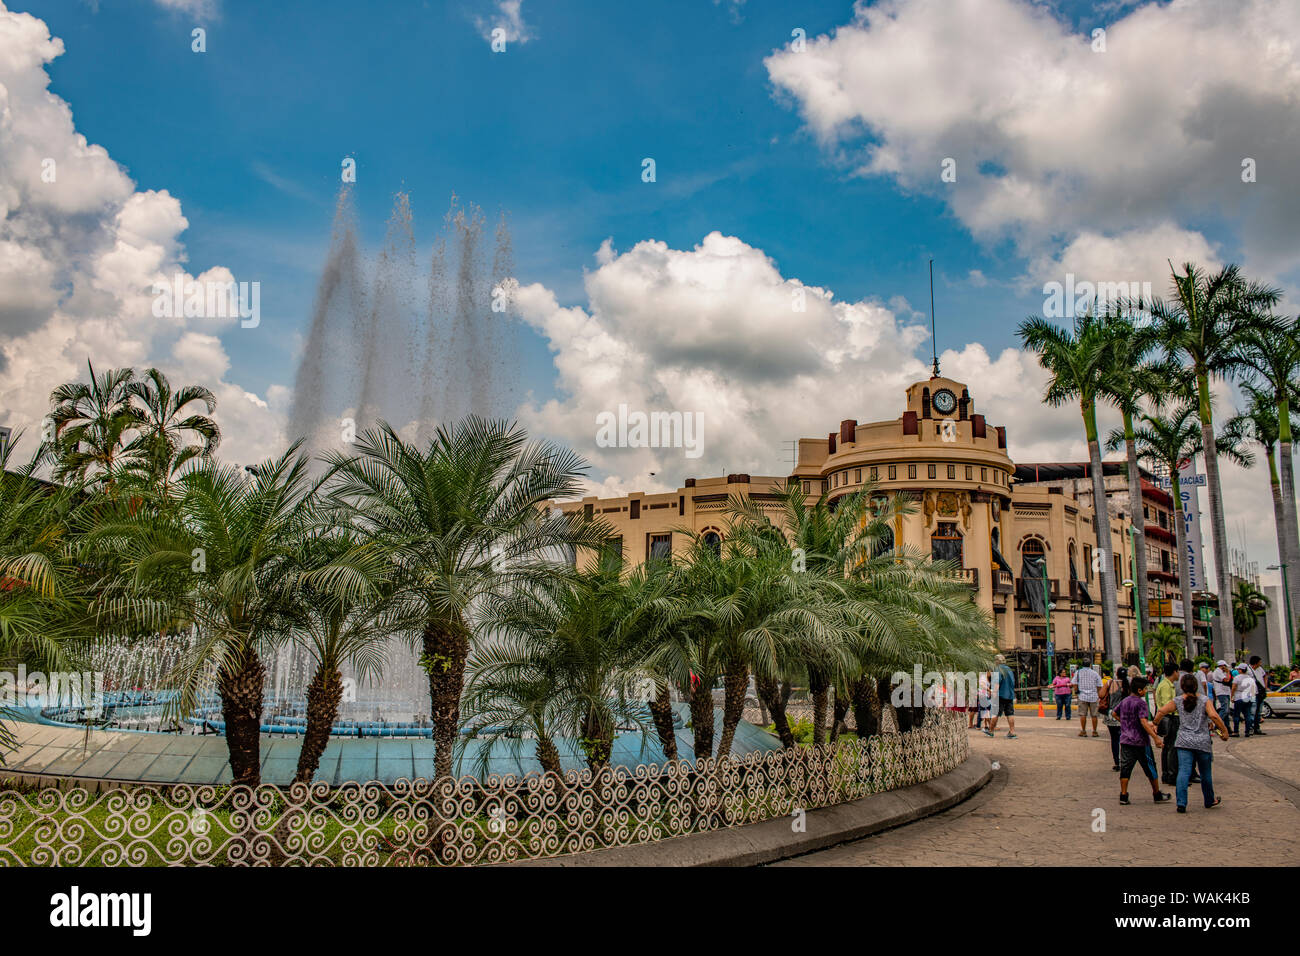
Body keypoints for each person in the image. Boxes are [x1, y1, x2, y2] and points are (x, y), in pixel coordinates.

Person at [1152, 674, 1229, 812]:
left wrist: (1155, 723)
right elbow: (1213, 715)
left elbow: (1162, 710)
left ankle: (1181, 803)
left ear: (1182, 686)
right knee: (1205, 773)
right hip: (1202, 742)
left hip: (1183, 741)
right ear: (1196, 686)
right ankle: (1209, 799)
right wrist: (1224, 731)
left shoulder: (1177, 701)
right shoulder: (1204, 700)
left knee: (1183, 771)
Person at [1115, 676, 1170, 805]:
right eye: (1145, 689)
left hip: (1125, 740)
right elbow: (1144, 722)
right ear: (1140, 690)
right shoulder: (1141, 703)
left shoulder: (1125, 701)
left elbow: (1114, 713)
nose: (1146, 691)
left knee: (1126, 768)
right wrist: (1155, 737)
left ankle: (1123, 794)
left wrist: (1126, 724)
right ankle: (1156, 793)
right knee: (1150, 767)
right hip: (1140, 741)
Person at [984, 654, 1017, 738]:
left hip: (1000, 695)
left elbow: (996, 683)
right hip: (1009, 695)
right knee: (1010, 714)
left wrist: (993, 693)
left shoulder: (998, 670)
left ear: (996, 661)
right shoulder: (1009, 669)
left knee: (995, 713)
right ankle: (1012, 732)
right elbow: (1013, 682)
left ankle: (991, 731)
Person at [1073, 659, 1103, 737]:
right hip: (1093, 696)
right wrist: (1098, 694)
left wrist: (1076, 692)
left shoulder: (1078, 673)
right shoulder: (1095, 673)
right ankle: (1094, 731)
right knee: (1094, 715)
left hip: (1082, 696)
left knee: (1083, 714)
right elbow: (1099, 685)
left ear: (1082, 664)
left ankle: (1083, 731)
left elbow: (1074, 684)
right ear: (1090, 665)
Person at [1229, 666, 1256, 737]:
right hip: (1248, 697)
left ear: (1241, 670)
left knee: (1236, 715)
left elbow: (1234, 687)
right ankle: (1247, 732)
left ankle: (1236, 732)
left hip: (1239, 697)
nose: (1237, 670)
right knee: (1247, 715)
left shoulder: (1237, 678)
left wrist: (1232, 696)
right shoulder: (1250, 678)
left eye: (1238, 669)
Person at [1249, 656, 1269, 735]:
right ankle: (1250, 728)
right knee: (1252, 712)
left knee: (1259, 711)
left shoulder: (1260, 669)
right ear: (1255, 662)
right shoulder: (1248, 670)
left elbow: (1265, 676)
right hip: (1253, 693)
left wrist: (1265, 686)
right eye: (1259, 662)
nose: (1260, 664)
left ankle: (1257, 728)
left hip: (1260, 693)